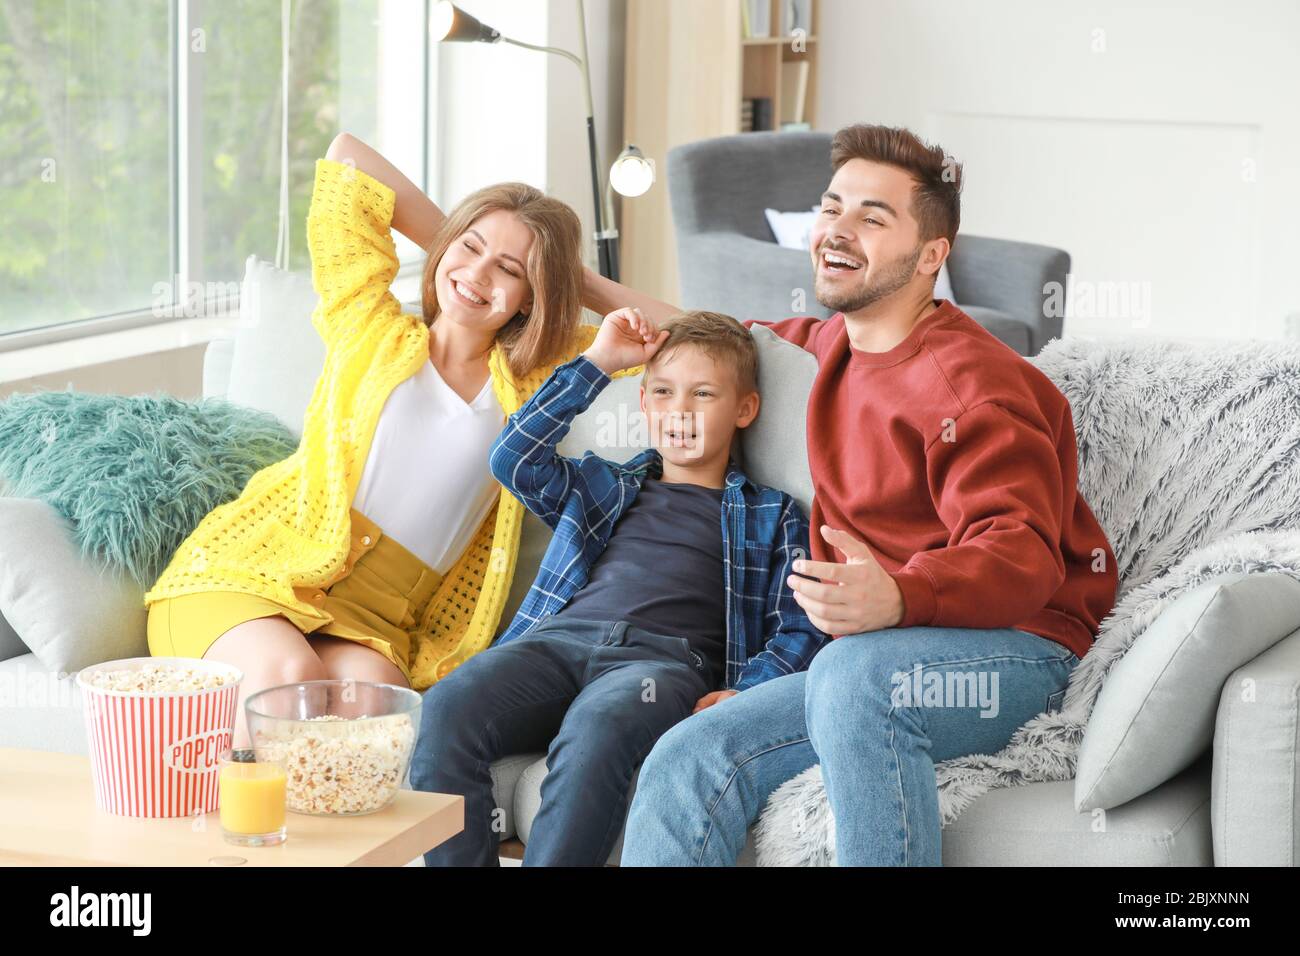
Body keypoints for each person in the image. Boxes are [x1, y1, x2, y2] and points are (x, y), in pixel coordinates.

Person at [586, 123, 1119, 866]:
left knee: (852, 672)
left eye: (873, 217)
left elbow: (1021, 556)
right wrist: (575, 280)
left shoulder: (976, 389)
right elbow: (696, 334)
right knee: (688, 755)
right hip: (874, 661)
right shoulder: (827, 345)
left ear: (932, 254)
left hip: (1017, 651)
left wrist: (898, 596)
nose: (837, 229)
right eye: (831, 208)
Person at [143, 132, 600, 749]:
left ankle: (308, 842)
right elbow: (345, 155)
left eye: (510, 270)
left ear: (532, 297)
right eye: (470, 248)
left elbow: (674, 332)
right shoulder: (368, 320)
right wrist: (467, 238)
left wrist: (568, 280)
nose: (477, 274)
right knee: (290, 683)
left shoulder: (536, 379)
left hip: (371, 620)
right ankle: (234, 838)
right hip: (255, 569)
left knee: (375, 723)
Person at [410, 308, 828, 866]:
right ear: (644, 403)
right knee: (444, 709)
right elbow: (513, 457)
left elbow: (801, 624)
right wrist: (600, 363)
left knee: (598, 727)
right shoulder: (602, 485)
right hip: (557, 643)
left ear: (745, 409)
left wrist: (748, 690)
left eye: (703, 394)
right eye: (663, 391)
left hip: (661, 664)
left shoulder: (773, 515)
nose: (679, 410)